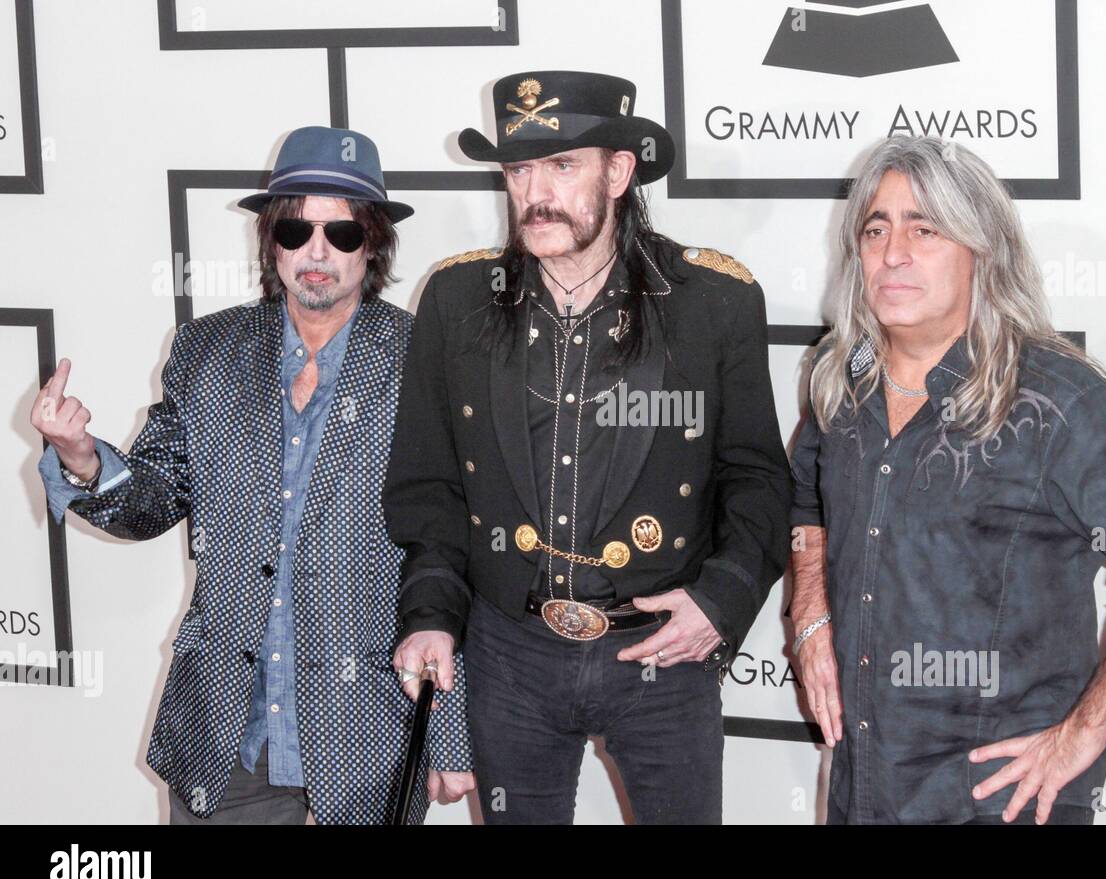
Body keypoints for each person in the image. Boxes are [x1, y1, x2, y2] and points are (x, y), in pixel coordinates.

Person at [30, 125, 473, 824]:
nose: (317, 252)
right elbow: (154, 499)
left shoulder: (426, 359)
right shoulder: (208, 349)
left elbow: (451, 548)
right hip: (228, 737)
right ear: (271, 239)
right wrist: (82, 456)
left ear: (375, 244)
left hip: (371, 728)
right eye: (296, 229)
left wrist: (449, 732)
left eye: (344, 233)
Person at [383, 71, 792, 824]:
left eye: (562, 165)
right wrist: (432, 613)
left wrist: (720, 602)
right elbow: (430, 489)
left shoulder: (712, 301)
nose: (534, 191)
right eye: (519, 168)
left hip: (661, 657)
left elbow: (756, 477)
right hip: (510, 653)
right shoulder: (457, 300)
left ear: (620, 170)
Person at [788, 135, 1106, 825]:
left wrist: (1080, 736)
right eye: (877, 228)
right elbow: (805, 498)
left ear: (982, 251)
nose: (893, 252)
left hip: (997, 801)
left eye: (924, 229)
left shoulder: (1058, 402)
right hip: (862, 785)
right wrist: (811, 619)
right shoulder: (841, 379)